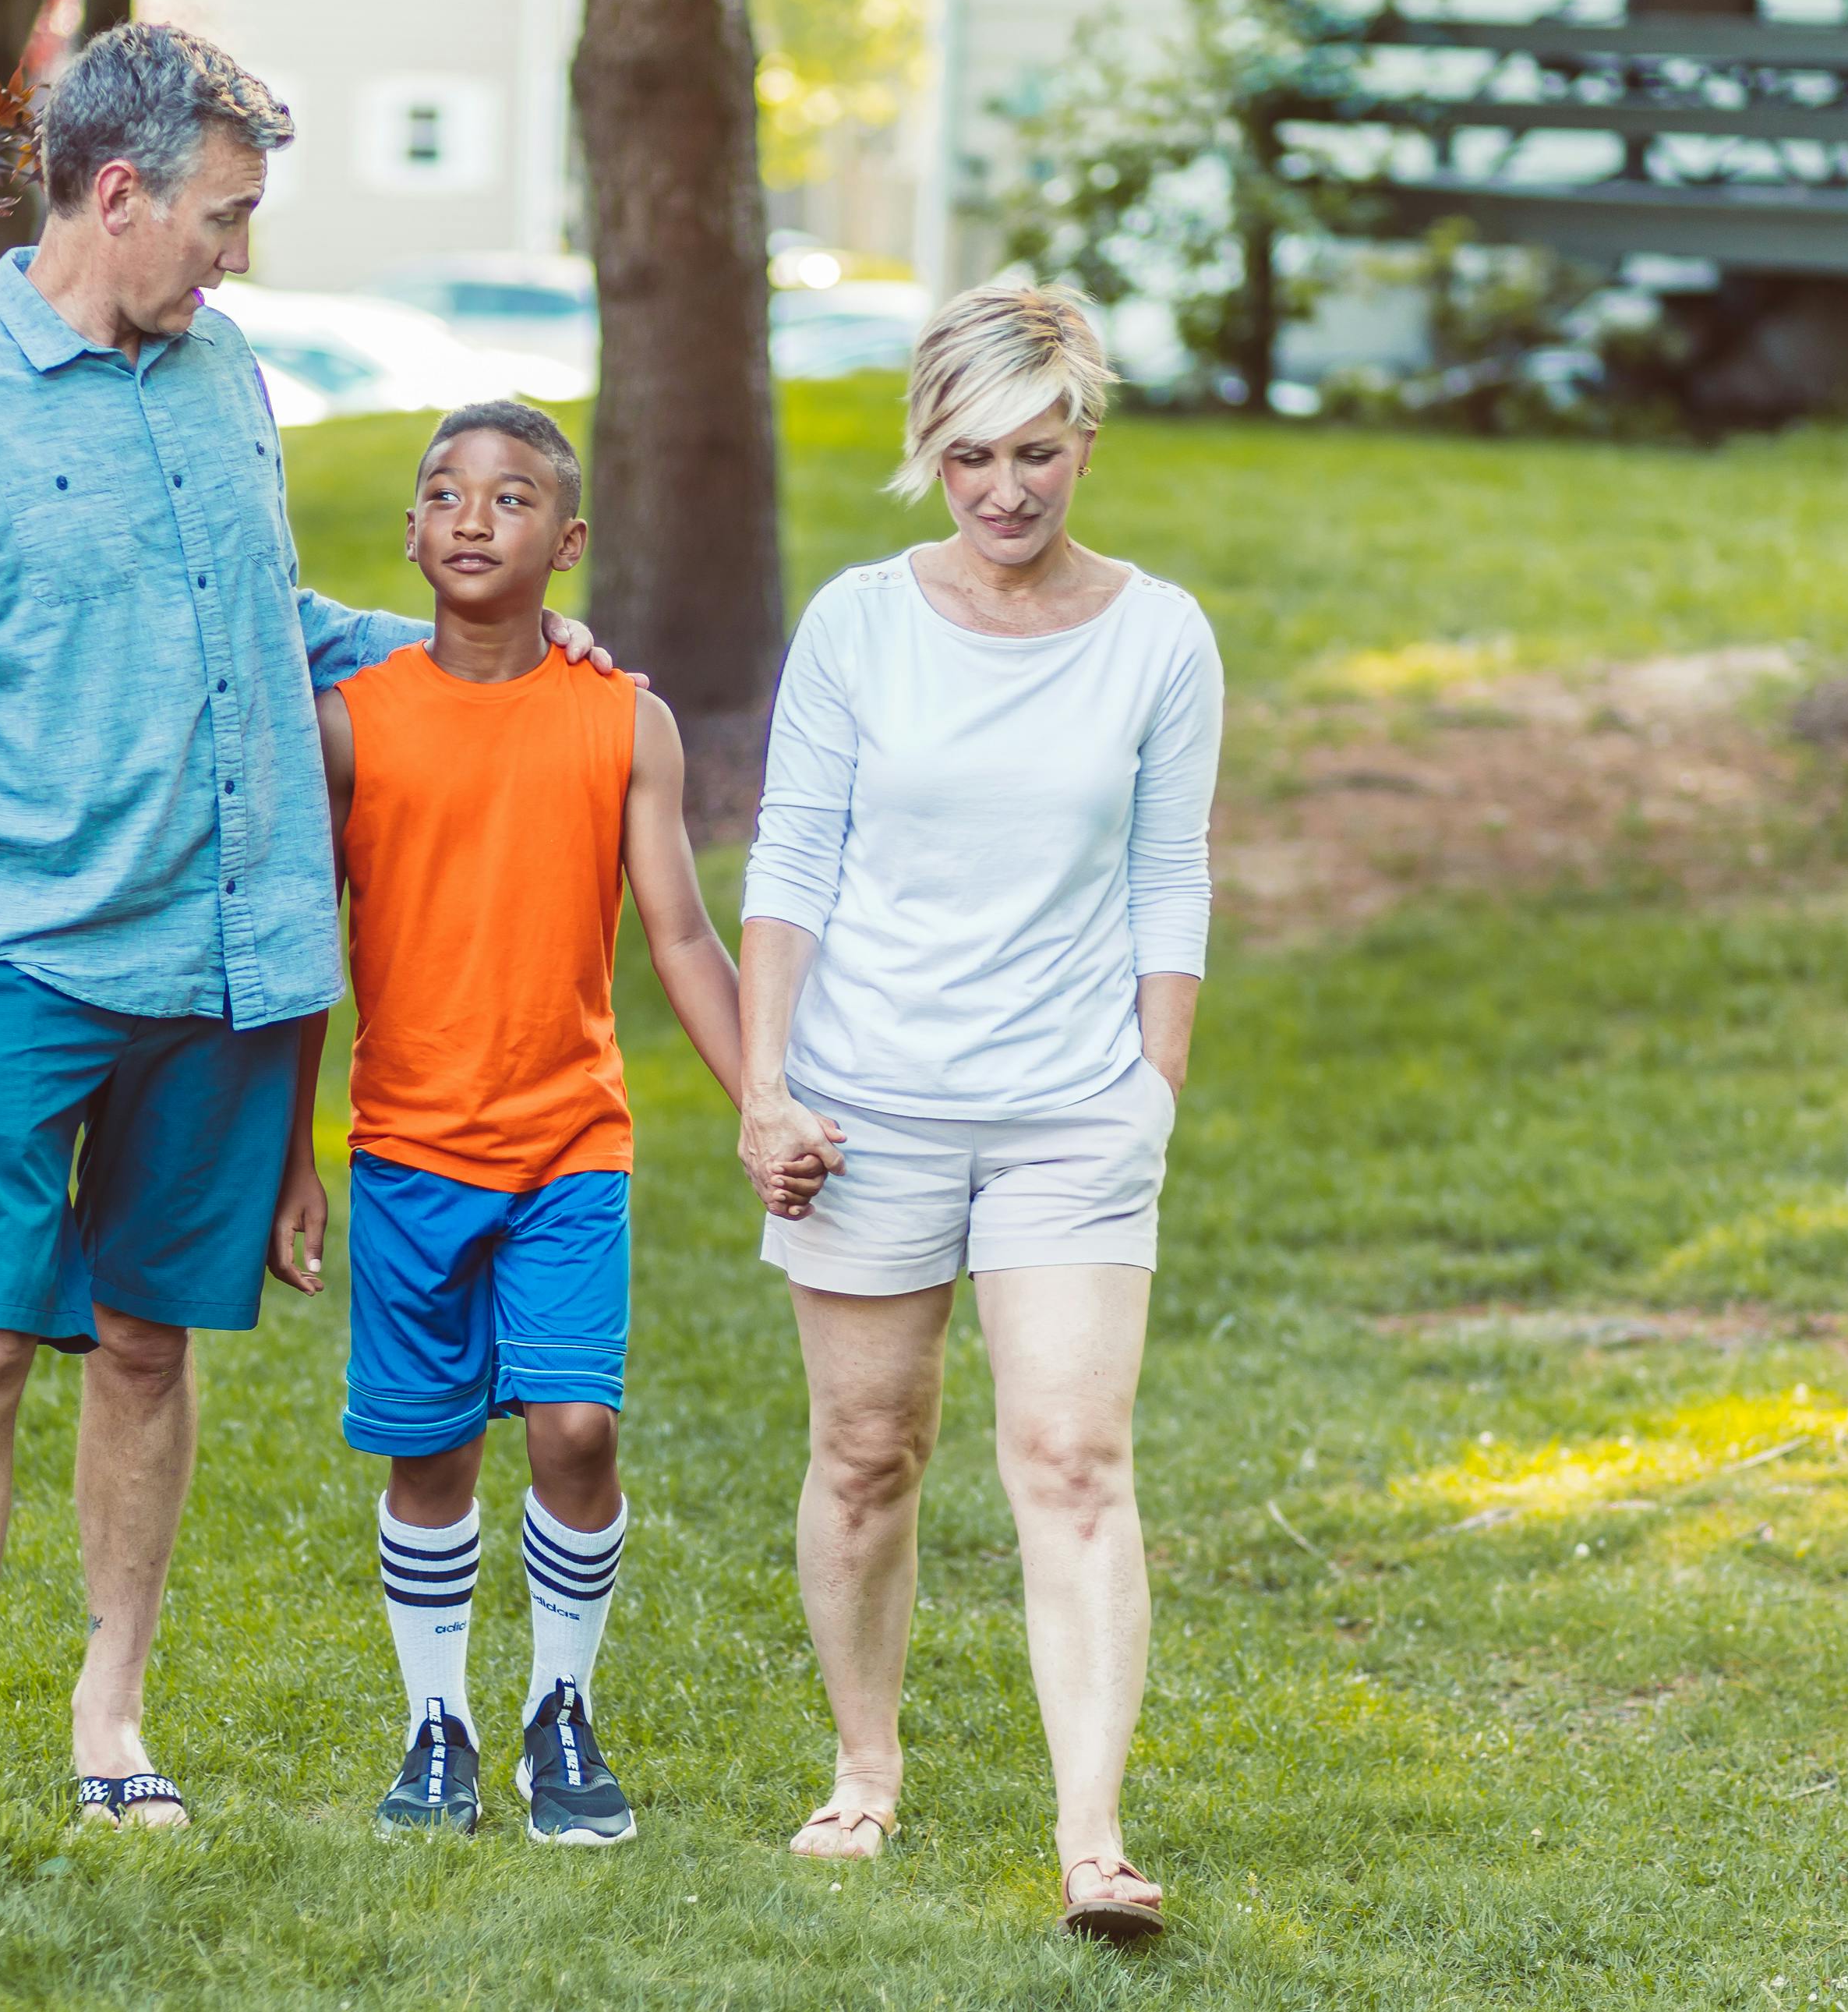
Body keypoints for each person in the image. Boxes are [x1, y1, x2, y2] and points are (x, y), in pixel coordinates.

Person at [0, 26, 606, 1901]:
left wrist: (486, 635)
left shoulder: (218, 369)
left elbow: (268, 616)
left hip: (225, 961)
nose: (241, 253)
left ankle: (111, 1720)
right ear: (120, 190)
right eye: (225, 215)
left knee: (148, 1345)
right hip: (8, 953)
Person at [730, 281, 1222, 1941]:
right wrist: (767, 1084)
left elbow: (1171, 878)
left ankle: (1096, 1841)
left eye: (1036, 452)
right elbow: (790, 862)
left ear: (1085, 439)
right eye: (969, 459)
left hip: (1072, 1114)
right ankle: (864, 1772)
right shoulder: (864, 622)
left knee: (1075, 1457)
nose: (1005, 491)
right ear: (927, 454)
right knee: (869, 1451)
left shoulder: (1161, 635)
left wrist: (1149, 1091)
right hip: (865, 1107)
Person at [274, 402, 746, 1848]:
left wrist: (764, 1102)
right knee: (430, 1459)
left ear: (569, 542)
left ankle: (558, 1710)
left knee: (579, 1430)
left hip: (567, 1153)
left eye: (513, 497)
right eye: (445, 494)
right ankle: (439, 1726)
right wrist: (290, 1157)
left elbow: (678, 933)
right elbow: (300, 954)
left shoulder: (624, 719)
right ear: (412, 532)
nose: (474, 518)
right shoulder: (350, 727)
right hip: (408, 1155)